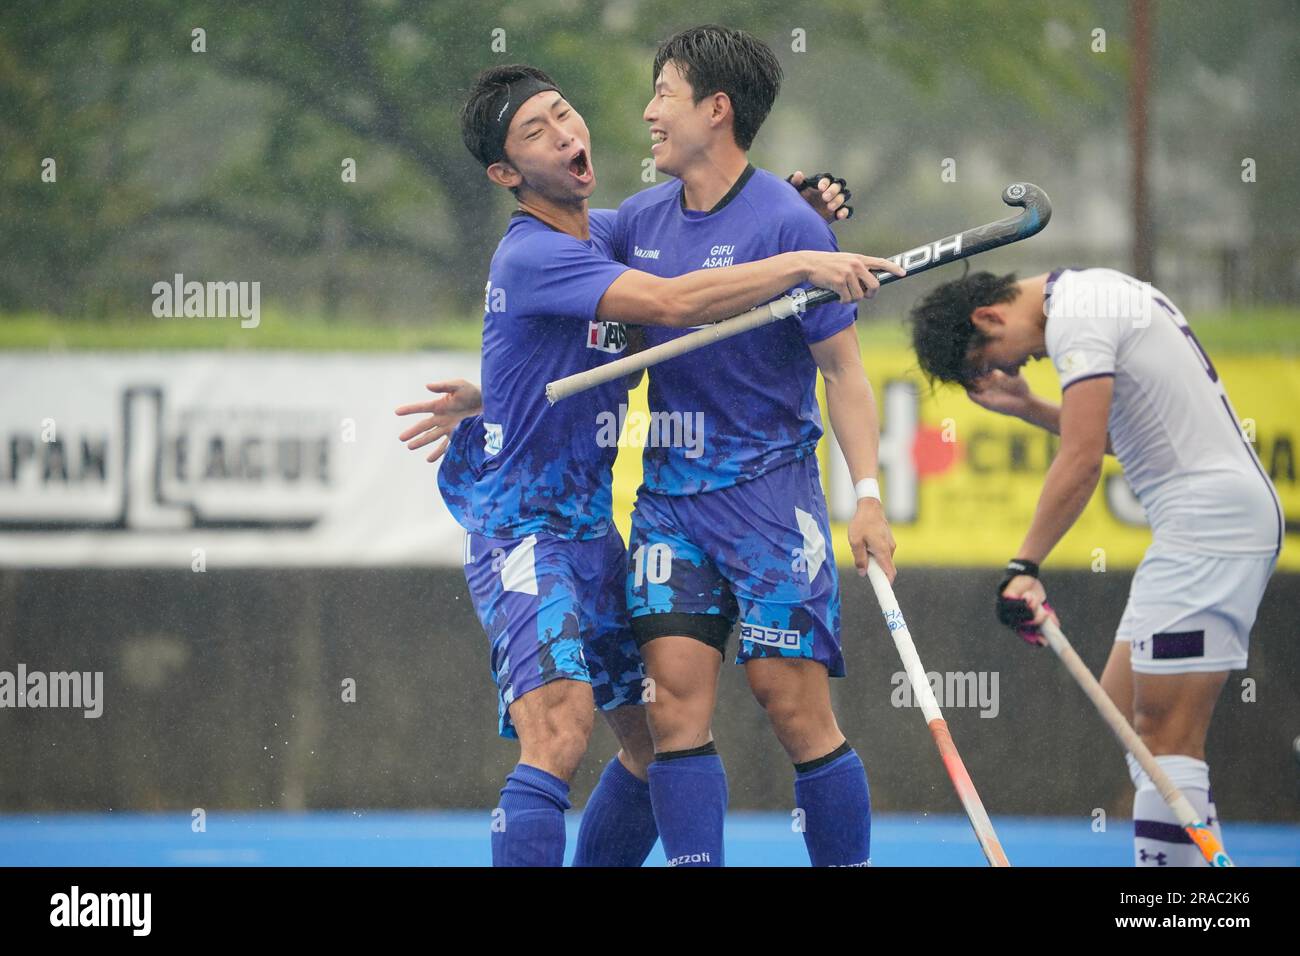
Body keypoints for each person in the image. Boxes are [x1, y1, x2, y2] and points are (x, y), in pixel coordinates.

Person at [402, 61, 898, 867]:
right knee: (560, 727)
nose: (567, 133)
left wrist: (790, 221)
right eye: (536, 132)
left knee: (648, 740)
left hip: (596, 530)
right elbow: (673, 302)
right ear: (505, 173)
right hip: (522, 530)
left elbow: (698, 249)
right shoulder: (533, 255)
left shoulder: (611, 232)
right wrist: (803, 261)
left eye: (564, 114)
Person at [610, 25, 898, 867]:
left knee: (788, 702)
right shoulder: (636, 221)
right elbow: (570, 289)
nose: (648, 113)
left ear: (717, 109)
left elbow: (843, 374)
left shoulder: (788, 222)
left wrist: (869, 495)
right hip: (670, 503)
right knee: (671, 709)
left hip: (772, 499)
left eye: (664, 93)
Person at [909, 266, 1283, 866]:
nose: (1015, 370)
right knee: (1127, 703)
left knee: (1163, 735)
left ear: (989, 317)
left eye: (996, 363)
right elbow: (1121, 438)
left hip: (1209, 526)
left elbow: (1082, 459)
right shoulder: (1092, 295)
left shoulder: (1078, 316)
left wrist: (1022, 564)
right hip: (1205, 523)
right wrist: (1032, 408)